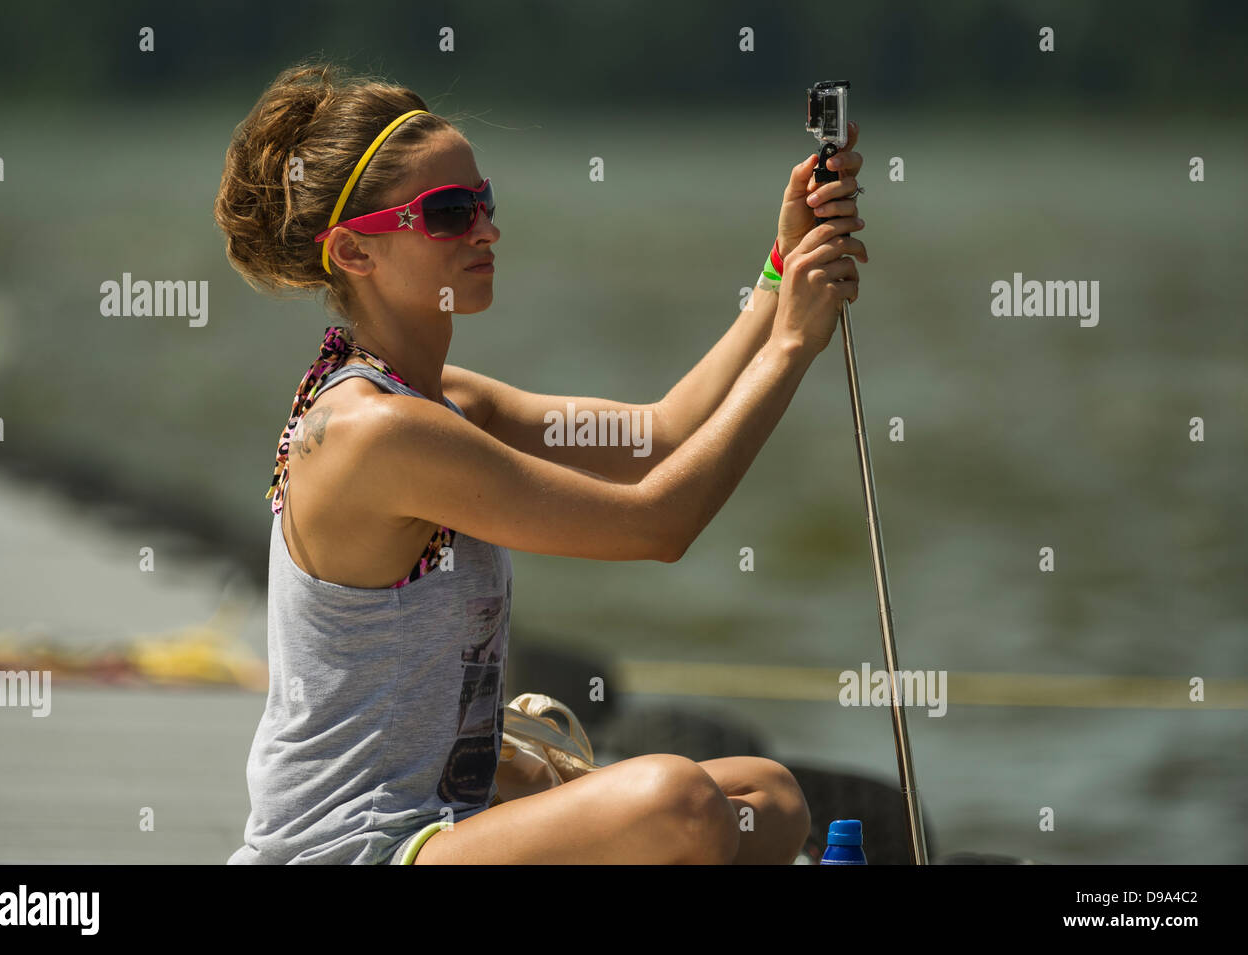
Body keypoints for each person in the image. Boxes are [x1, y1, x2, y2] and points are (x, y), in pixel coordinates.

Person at [215, 61, 866, 865]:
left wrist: (779, 270)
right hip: (354, 851)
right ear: (353, 251)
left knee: (767, 799)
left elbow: (654, 437)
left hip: (447, 822)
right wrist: (796, 344)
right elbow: (659, 522)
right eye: (448, 213)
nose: (486, 229)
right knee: (679, 803)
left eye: (484, 202)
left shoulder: (441, 399)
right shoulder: (373, 431)